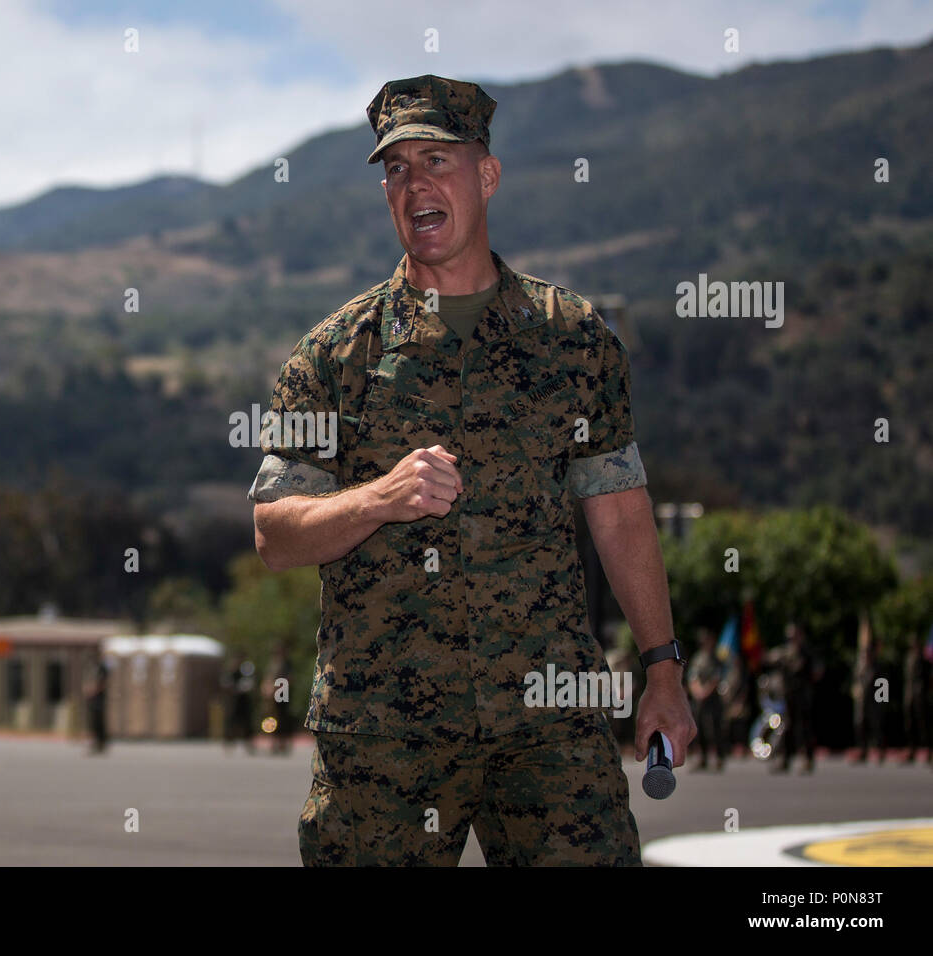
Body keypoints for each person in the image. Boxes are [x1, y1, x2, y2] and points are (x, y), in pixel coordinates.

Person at [249, 75, 696, 866]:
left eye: (436, 161)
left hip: (548, 724)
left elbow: (620, 509)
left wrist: (662, 668)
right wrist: (378, 500)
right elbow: (275, 534)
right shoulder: (333, 356)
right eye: (394, 170)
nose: (413, 183)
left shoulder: (574, 339)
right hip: (386, 735)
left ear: (486, 176)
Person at [772, 623, 821, 774]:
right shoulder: (785, 652)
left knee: (805, 727)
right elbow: (770, 659)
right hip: (789, 694)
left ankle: (808, 759)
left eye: (794, 636)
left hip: (803, 694)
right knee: (787, 726)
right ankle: (785, 759)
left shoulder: (807, 653)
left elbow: (817, 671)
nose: (792, 639)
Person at [687, 627, 725, 770]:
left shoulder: (717, 658)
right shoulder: (698, 658)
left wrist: (705, 692)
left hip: (712, 698)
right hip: (699, 698)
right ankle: (702, 758)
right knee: (699, 728)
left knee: (715, 728)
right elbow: (693, 677)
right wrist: (697, 691)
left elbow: (717, 678)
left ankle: (719, 758)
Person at [851, 639, 886, 763]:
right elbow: (856, 683)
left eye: (867, 654)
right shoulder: (860, 668)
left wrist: (882, 702)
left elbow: (883, 684)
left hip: (874, 702)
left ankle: (880, 750)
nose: (866, 656)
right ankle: (862, 750)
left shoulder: (877, 667)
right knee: (860, 725)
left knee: (876, 727)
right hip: (862, 702)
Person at [902, 636, 931, 764]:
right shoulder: (908, 658)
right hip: (910, 694)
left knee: (923, 723)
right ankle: (912, 749)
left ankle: (928, 750)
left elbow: (927, 678)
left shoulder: (924, 660)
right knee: (910, 723)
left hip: (921, 694)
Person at [85, 661, 109, 755]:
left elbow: (102, 684)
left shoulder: (103, 668)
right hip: (95, 700)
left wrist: (92, 691)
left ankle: (100, 743)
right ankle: (97, 743)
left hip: (99, 700)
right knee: (95, 722)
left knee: (98, 722)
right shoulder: (95, 668)